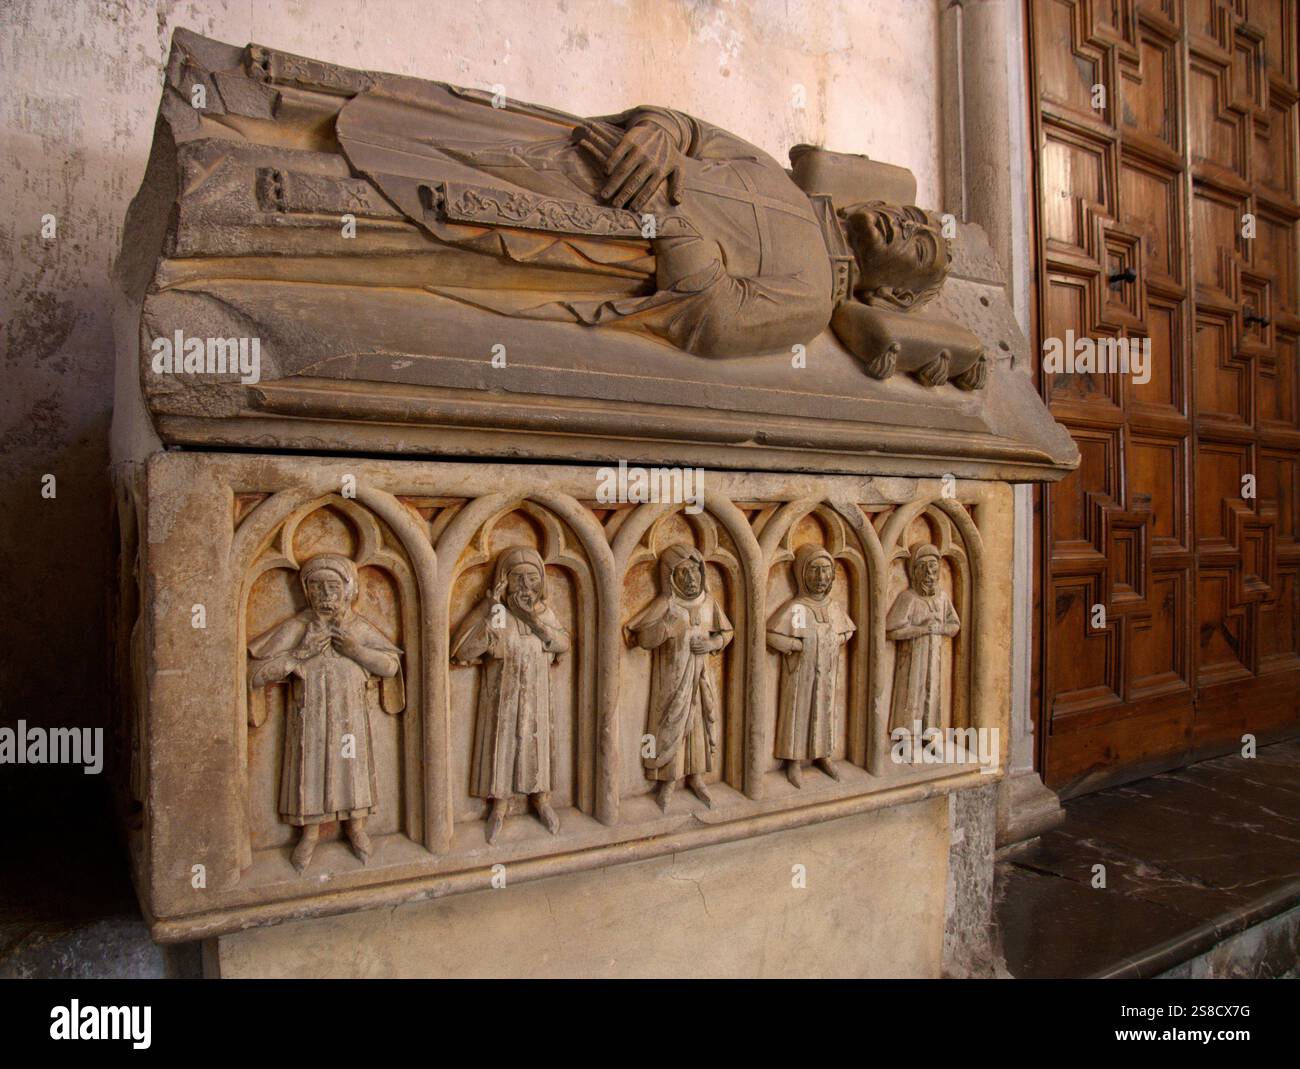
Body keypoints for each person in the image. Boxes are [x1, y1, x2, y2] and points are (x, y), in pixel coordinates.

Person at [248, 554, 403, 873]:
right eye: (316, 587)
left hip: (351, 713)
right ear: (305, 591)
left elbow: (390, 666)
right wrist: (298, 654)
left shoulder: (357, 628)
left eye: (333, 586)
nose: (325, 594)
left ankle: (356, 828)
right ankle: (309, 834)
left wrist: (356, 651)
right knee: (311, 767)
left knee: (353, 768)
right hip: (311, 714)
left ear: (349, 589)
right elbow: (258, 674)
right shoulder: (298, 627)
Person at [451, 547, 570, 844]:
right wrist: (490, 611)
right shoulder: (498, 614)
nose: (526, 587)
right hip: (502, 696)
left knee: (537, 743)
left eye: (533, 579)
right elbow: (463, 651)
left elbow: (562, 643)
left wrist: (534, 622)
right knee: (501, 745)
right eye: (518, 579)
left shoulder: (543, 613)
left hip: (538, 694)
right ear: (504, 581)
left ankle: (541, 800)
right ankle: (499, 807)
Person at [626, 543, 733, 811]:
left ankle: (697, 778)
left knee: (697, 726)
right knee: (669, 727)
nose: (690, 577)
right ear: (671, 576)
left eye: (694, 571)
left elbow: (727, 632)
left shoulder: (709, 602)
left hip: (700, 679)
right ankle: (668, 782)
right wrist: (664, 628)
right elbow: (639, 639)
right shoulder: (667, 604)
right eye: (682, 572)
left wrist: (712, 644)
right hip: (671, 682)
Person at [767, 545, 855, 787]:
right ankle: (793, 761)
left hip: (827, 673)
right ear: (802, 574)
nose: (820, 577)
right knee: (798, 712)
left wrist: (835, 639)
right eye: (814, 571)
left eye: (826, 571)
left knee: (825, 711)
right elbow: (772, 636)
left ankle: (823, 755)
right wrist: (796, 645)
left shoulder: (832, 607)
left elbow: (847, 631)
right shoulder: (798, 608)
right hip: (800, 674)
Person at [886, 544, 960, 736]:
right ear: (914, 571)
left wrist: (941, 628)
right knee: (911, 695)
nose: (929, 573)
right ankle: (905, 737)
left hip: (934, 659)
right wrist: (919, 630)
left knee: (931, 695)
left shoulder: (942, 598)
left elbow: (954, 626)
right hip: (911, 659)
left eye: (933, 567)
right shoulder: (908, 598)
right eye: (924, 567)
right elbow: (891, 631)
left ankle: (928, 736)